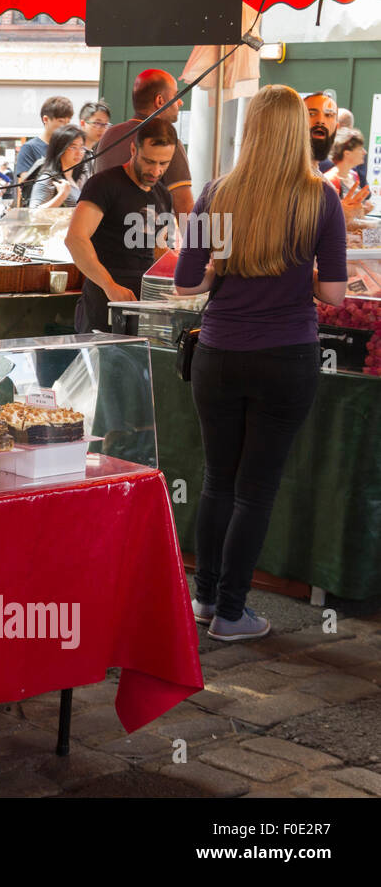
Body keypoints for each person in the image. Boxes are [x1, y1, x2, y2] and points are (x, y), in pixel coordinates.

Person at [173, 85, 347, 642]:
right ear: (299, 132)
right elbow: (337, 295)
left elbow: (185, 283)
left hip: (219, 355)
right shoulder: (320, 198)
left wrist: (225, 262)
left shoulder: (216, 194)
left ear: (249, 131)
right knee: (256, 489)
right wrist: (298, 276)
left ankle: (205, 601)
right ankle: (232, 611)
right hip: (286, 355)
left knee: (217, 482)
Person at [65, 118, 177, 333]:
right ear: (133, 149)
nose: (155, 171)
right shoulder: (103, 184)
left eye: (164, 164)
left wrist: (181, 276)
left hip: (144, 305)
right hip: (104, 302)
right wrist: (110, 286)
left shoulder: (163, 194)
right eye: (149, 161)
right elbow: (75, 239)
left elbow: (160, 249)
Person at [94, 69, 194, 215]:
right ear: (160, 101)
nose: (180, 101)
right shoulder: (166, 142)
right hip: (143, 235)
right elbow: (185, 209)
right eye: (175, 95)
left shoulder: (108, 136)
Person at [304, 91, 368, 216]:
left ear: (336, 127)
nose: (320, 122)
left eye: (328, 115)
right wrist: (339, 214)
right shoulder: (288, 171)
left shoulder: (320, 176)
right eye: (312, 114)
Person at [14, 96, 73, 205]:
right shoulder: (29, 148)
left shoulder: (69, 148)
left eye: (68, 122)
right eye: (61, 121)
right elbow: (26, 183)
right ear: (45, 119)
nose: (65, 126)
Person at [28, 125, 87, 209]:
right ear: (60, 149)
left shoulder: (74, 179)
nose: (79, 153)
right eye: (73, 147)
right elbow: (33, 213)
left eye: (81, 147)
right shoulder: (49, 179)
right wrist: (61, 196)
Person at [324, 129, 366, 195]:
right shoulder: (330, 180)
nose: (364, 152)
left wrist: (364, 204)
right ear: (347, 153)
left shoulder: (354, 175)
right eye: (360, 149)